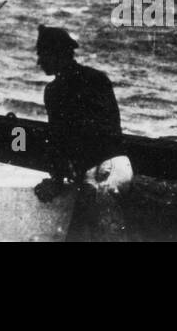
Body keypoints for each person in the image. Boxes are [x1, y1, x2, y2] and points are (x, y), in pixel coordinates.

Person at [32, 25, 132, 239]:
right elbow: (109, 127)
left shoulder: (55, 91)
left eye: (42, 54)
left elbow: (58, 139)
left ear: (56, 54)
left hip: (99, 174)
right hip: (121, 166)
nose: (39, 62)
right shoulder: (98, 78)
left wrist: (56, 181)